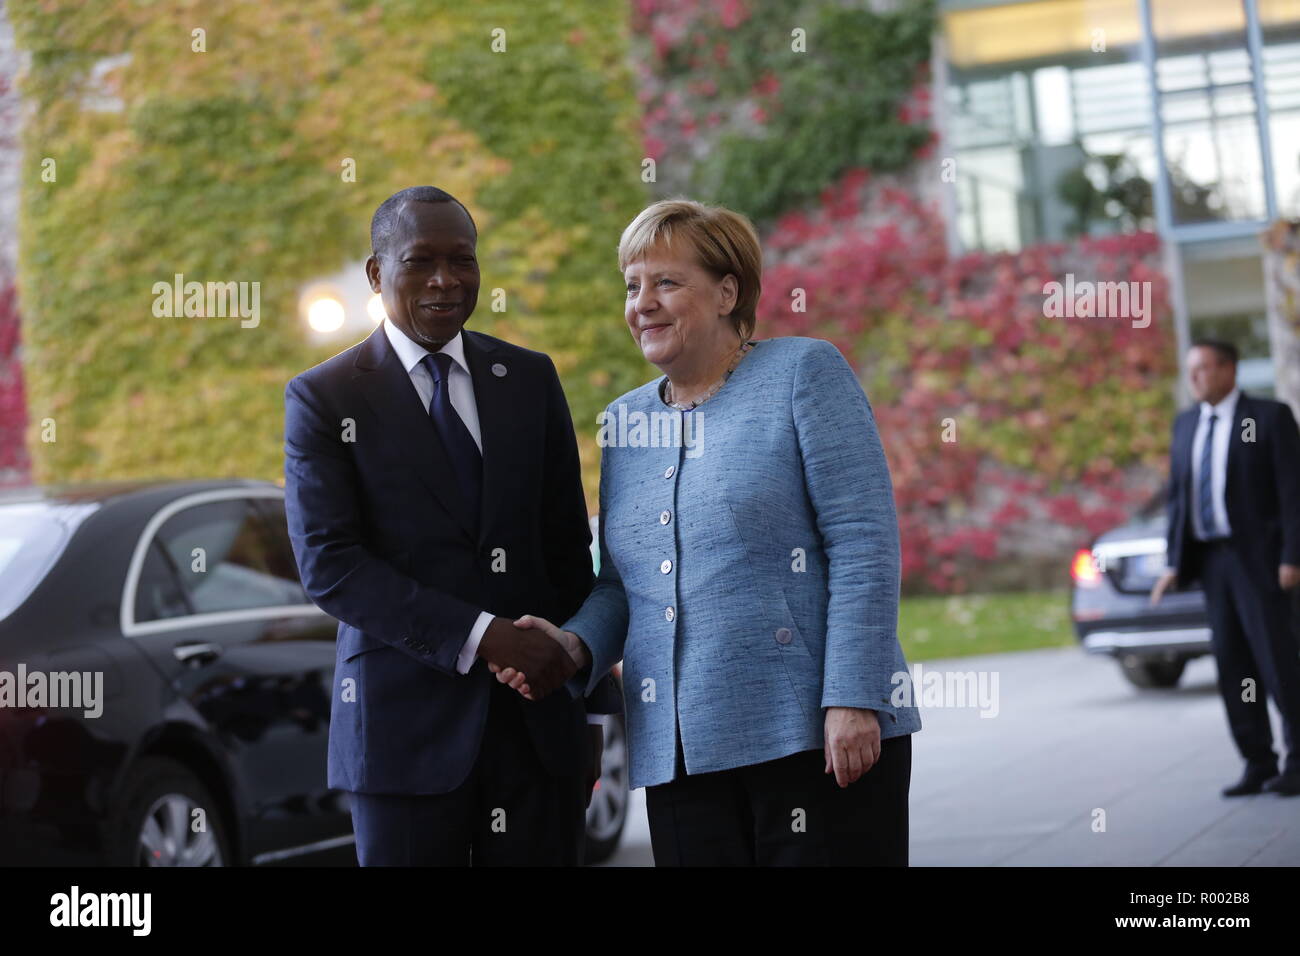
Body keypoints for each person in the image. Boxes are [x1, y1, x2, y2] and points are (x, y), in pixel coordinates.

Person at [493, 198, 922, 865]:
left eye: (666, 282)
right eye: (632, 286)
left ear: (727, 292)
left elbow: (863, 542)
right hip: (679, 753)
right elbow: (621, 583)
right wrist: (573, 645)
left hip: (814, 735)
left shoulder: (802, 373)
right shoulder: (624, 422)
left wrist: (853, 697)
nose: (644, 303)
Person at [283, 185, 620, 865]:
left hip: (538, 731)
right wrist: (484, 637)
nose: (446, 280)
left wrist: (571, 680)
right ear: (378, 274)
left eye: (462, 260)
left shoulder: (528, 379)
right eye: (421, 261)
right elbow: (332, 564)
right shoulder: (325, 397)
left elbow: (564, 549)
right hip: (402, 736)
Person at [1152, 340, 1300, 797]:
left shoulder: (1267, 418)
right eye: (1190, 370)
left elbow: (1293, 491)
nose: (1195, 377)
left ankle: (1298, 760)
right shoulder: (1186, 424)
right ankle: (1257, 760)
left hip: (1261, 562)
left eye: (1203, 369)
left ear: (1229, 369)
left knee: (1278, 661)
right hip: (1211, 563)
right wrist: (1174, 562)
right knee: (1235, 665)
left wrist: (1292, 556)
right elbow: (1179, 498)